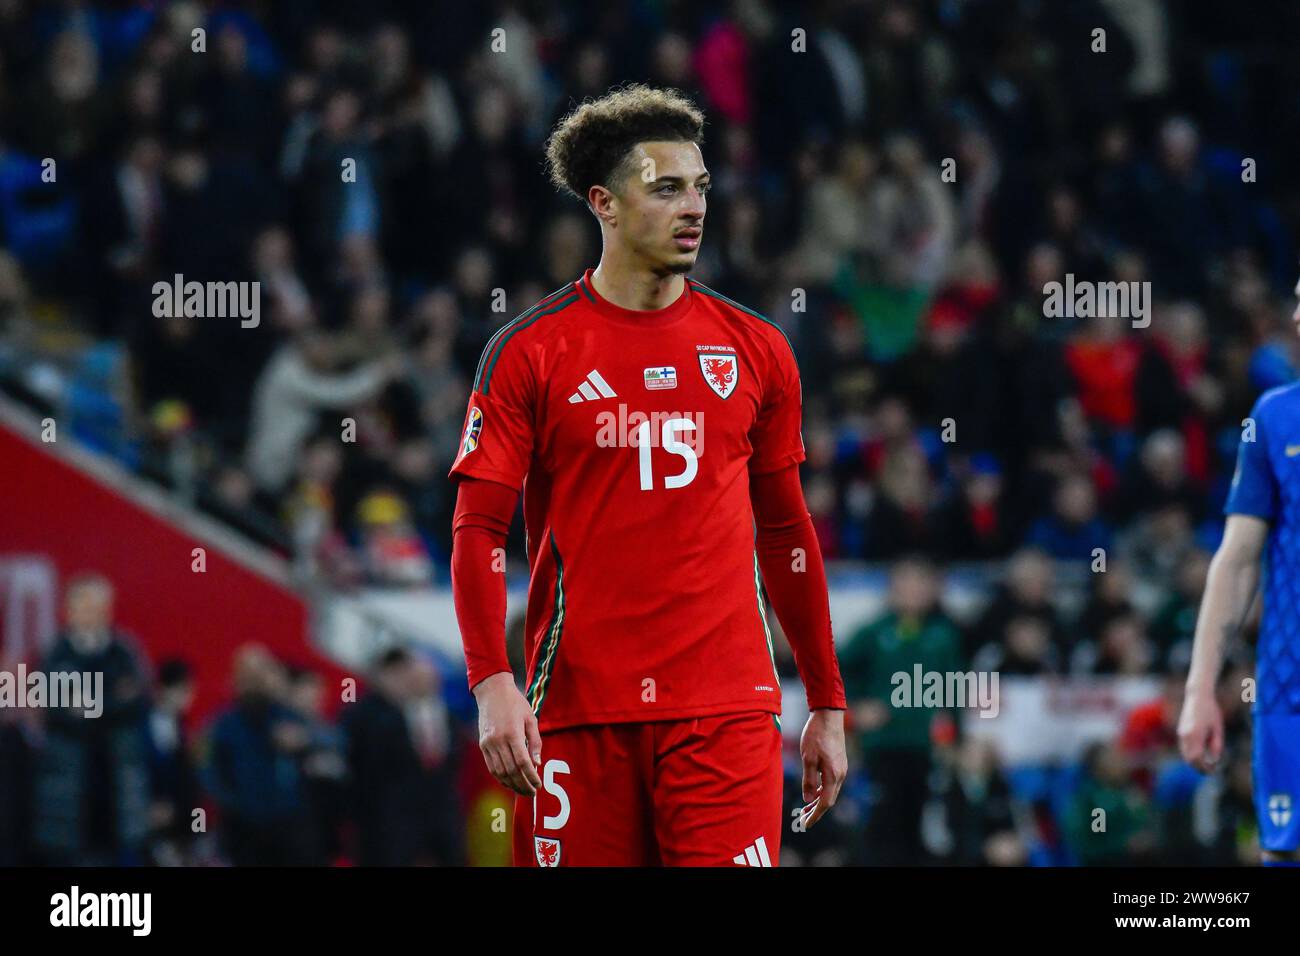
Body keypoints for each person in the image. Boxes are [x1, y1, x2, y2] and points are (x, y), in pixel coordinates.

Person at [448, 85, 846, 867]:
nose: (693, 206)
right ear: (604, 203)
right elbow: (478, 528)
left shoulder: (757, 350)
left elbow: (788, 532)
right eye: (665, 188)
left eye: (700, 186)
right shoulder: (530, 352)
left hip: (725, 711)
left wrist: (827, 701)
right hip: (577, 711)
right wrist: (492, 682)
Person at [1179, 276, 1300, 865]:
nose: (1298, 318)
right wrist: (1201, 689)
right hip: (1288, 690)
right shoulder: (1274, 418)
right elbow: (1235, 561)